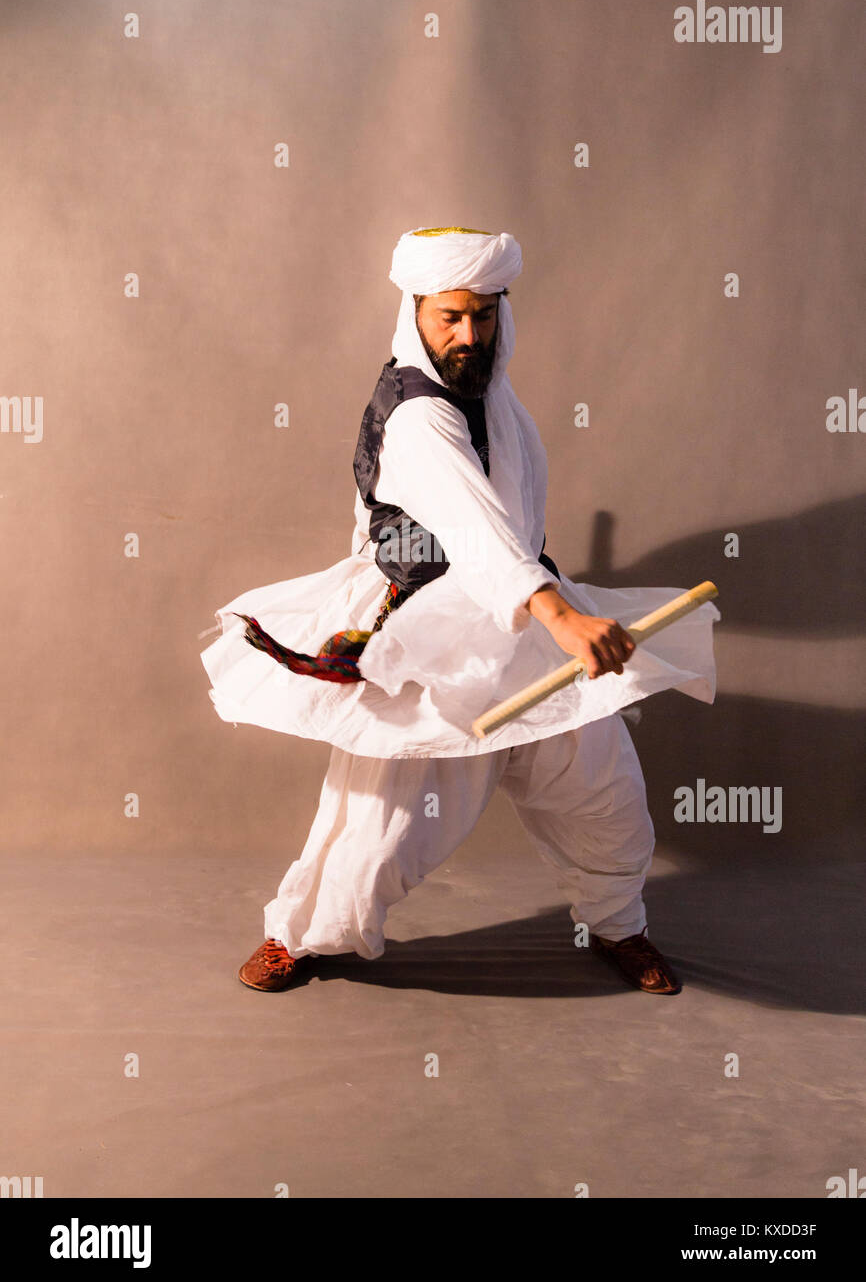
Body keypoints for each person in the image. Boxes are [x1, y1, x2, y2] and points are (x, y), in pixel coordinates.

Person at [199, 227, 720, 997]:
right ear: (416, 315)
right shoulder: (417, 416)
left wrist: (552, 612)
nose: (468, 334)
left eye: (484, 314)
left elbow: (512, 526)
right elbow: (473, 530)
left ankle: (619, 926)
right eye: (450, 317)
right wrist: (565, 619)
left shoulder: (496, 399)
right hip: (429, 638)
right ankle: (300, 937)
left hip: (527, 629)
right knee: (381, 831)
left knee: (606, 797)